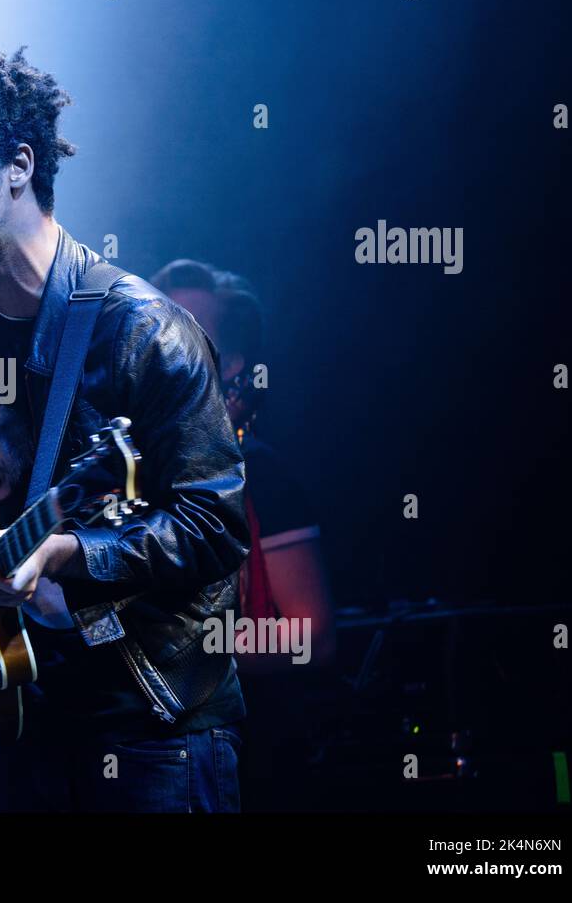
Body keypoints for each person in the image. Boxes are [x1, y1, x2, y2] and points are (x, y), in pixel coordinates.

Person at [0, 36, 250, 812]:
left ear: (18, 163)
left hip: (153, 732)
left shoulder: (141, 329)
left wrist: (77, 551)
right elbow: (6, 520)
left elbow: (216, 526)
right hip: (32, 727)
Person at [152, 258, 335, 808]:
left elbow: (314, 637)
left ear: (230, 364)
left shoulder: (261, 475)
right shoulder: (132, 476)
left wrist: (187, 649)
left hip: (251, 761)